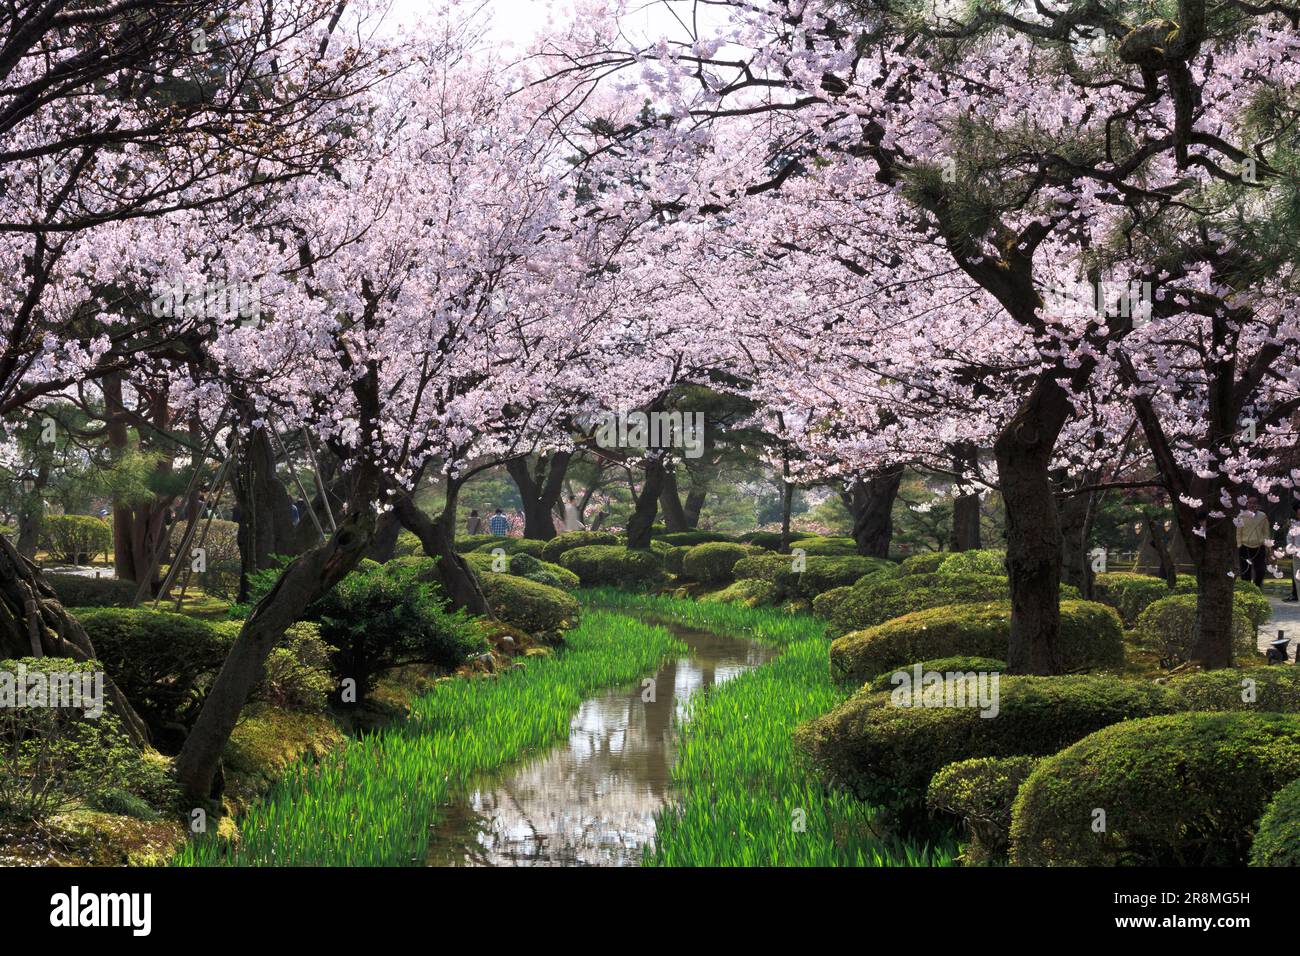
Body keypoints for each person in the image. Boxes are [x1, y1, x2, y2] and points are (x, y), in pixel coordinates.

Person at [1237, 495, 1271, 587]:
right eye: (1250, 503)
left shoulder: (1263, 516)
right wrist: (1239, 545)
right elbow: (1238, 532)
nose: (1252, 505)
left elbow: (1266, 532)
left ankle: (1257, 587)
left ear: (1258, 505)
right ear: (1246, 504)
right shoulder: (1241, 516)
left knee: (1261, 570)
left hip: (1259, 546)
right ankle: (1247, 590)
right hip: (1244, 546)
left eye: (1254, 503)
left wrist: (1268, 547)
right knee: (1245, 571)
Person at [1286, 501, 1300, 603]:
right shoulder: (1294, 525)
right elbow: (1289, 539)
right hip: (1297, 555)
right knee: (1298, 578)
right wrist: (1292, 550)